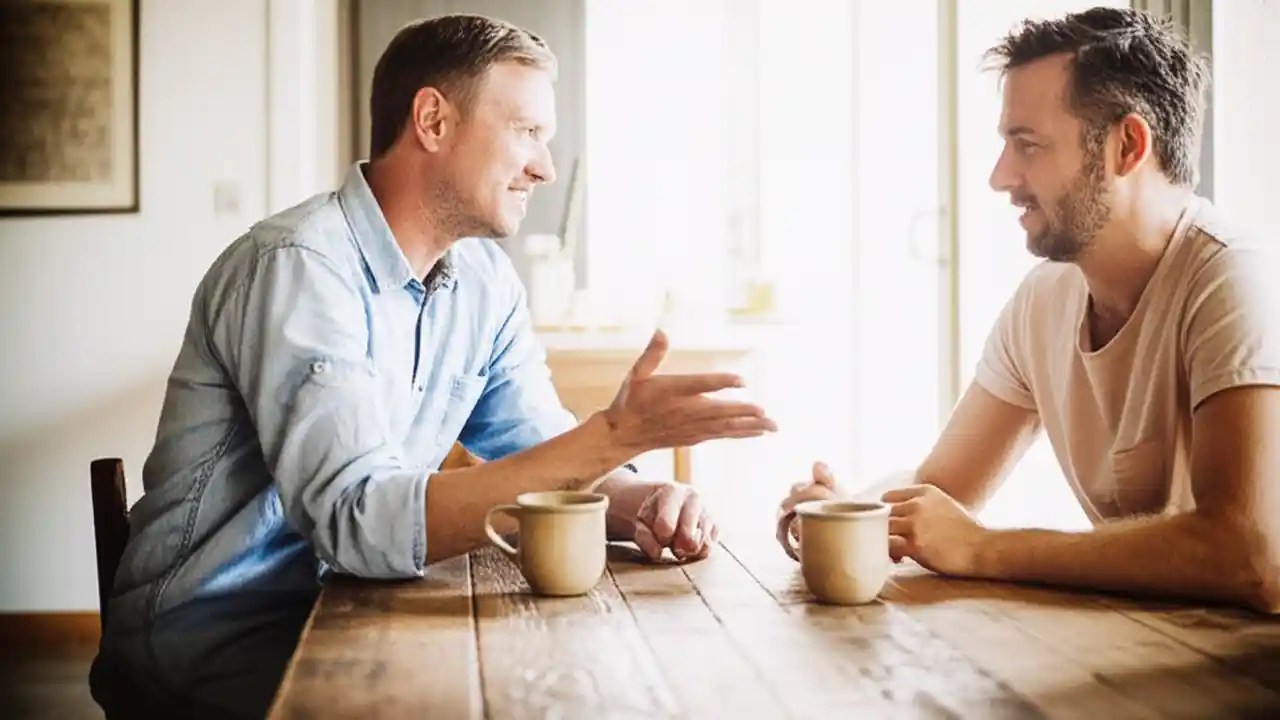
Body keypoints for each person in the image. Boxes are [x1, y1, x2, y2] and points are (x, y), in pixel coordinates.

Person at [91, 14, 776, 718]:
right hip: (221, 650)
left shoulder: (484, 282)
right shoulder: (298, 267)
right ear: (433, 120)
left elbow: (542, 450)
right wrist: (613, 435)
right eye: (527, 132)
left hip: (358, 619)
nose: (542, 165)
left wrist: (640, 502)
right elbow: (357, 524)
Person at [779, 7, 1280, 613]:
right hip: (1146, 661)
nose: (1000, 177)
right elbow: (940, 491)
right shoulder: (1045, 299)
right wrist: (847, 513)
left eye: (1028, 145)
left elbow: (1251, 554)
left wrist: (986, 549)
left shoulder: (1231, 281)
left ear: (1127, 146)